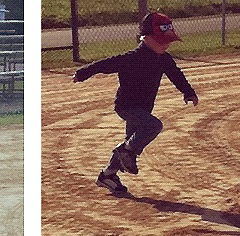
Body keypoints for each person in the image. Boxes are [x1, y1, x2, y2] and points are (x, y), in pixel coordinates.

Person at [72, 11, 200, 194]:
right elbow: (104, 64)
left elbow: (176, 76)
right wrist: (83, 73)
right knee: (153, 127)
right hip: (126, 107)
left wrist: (188, 92)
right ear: (145, 38)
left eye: (168, 41)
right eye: (161, 40)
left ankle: (107, 175)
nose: (166, 44)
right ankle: (125, 152)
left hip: (143, 109)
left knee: (128, 146)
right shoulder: (132, 58)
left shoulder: (164, 59)